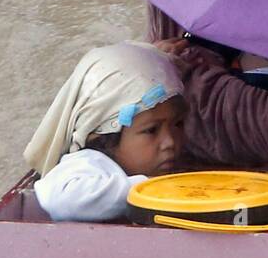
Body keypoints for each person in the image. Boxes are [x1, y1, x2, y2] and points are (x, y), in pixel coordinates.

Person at [24, 41, 186, 222]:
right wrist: (152, 188)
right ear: (104, 136)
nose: (170, 142)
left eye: (178, 124)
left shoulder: (156, 166)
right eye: (151, 130)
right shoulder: (90, 163)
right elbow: (60, 198)